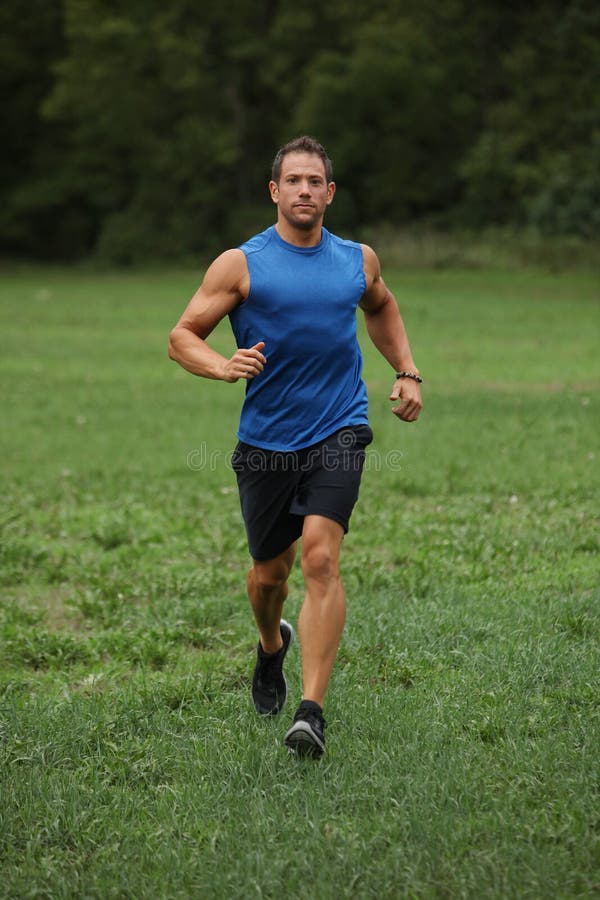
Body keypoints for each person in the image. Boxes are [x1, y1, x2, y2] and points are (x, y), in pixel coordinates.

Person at [168, 136, 422, 758]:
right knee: (267, 576)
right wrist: (222, 366)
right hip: (265, 443)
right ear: (275, 191)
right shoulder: (242, 264)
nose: (305, 190)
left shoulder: (355, 260)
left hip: (340, 427)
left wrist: (408, 371)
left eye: (316, 182)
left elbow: (382, 307)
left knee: (320, 558)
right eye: (294, 181)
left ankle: (311, 711)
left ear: (329, 194)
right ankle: (270, 645)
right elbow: (181, 336)